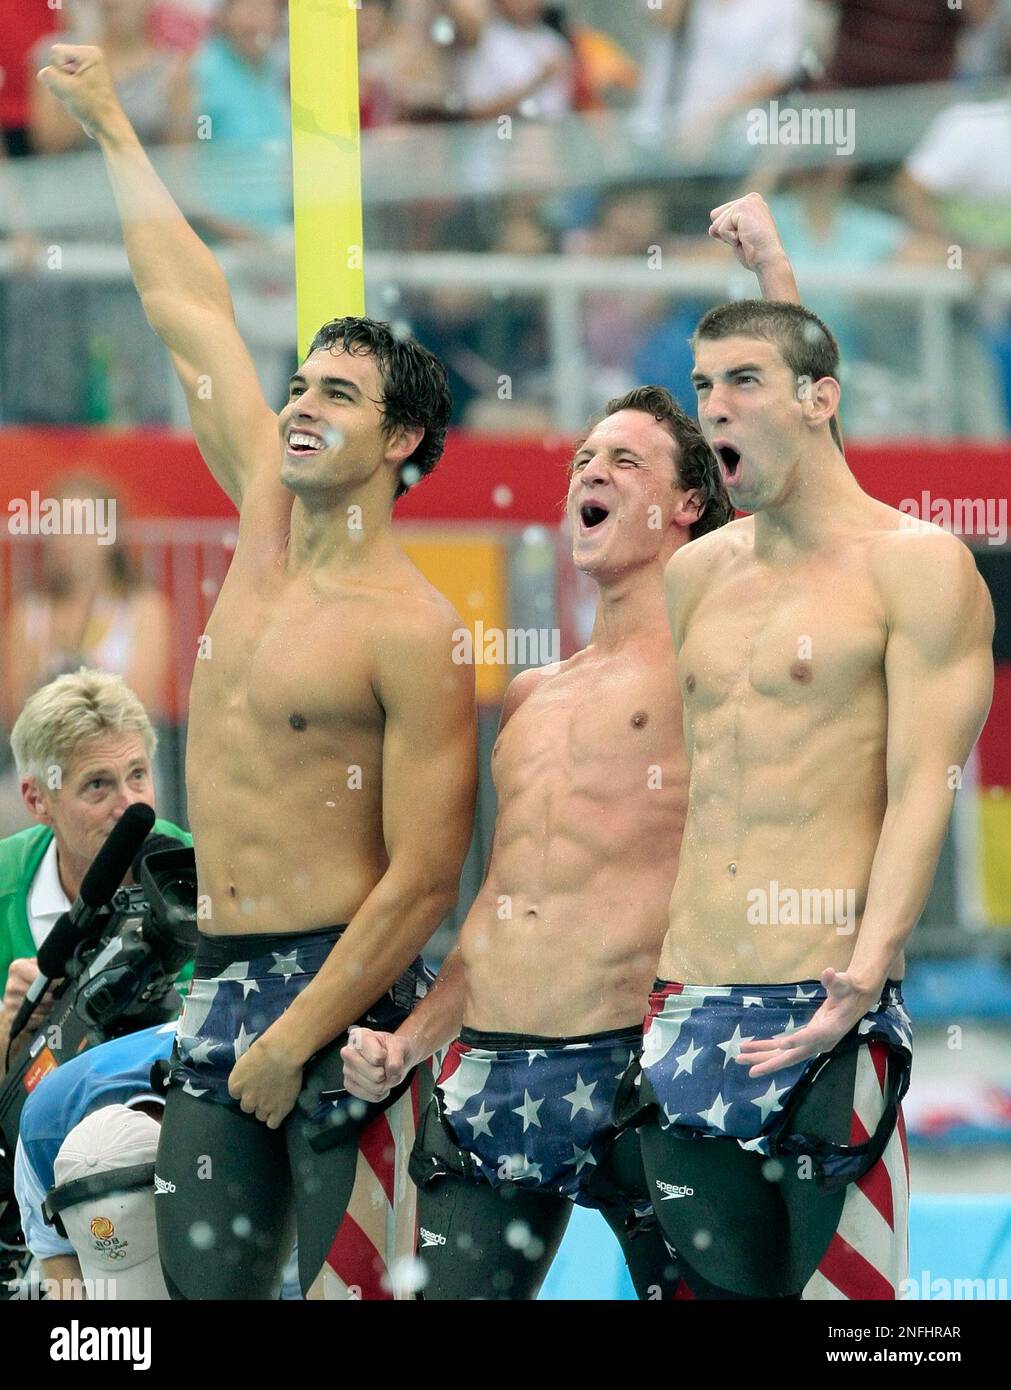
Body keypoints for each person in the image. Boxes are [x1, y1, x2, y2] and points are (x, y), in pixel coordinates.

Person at [38, 44, 477, 1300]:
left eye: (336, 394)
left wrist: (295, 1039)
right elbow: (188, 311)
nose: (298, 403)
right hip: (219, 978)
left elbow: (425, 878)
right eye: (297, 384)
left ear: (399, 442)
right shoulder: (257, 530)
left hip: (342, 1001)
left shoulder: (415, 627)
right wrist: (115, 124)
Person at [340, 203, 800, 1300]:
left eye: (627, 461)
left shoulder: (711, 645)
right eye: (585, 456)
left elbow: (792, 477)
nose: (590, 470)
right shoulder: (536, 694)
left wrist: (771, 271)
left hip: (643, 1072)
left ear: (690, 504)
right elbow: (505, 900)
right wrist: (412, 1038)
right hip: (496, 1064)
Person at [623, 198, 995, 1300]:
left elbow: (922, 786)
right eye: (701, 388)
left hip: (825, 1003)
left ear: (821, 398)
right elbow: (797, 463)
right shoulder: (697, 575)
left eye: (741, 382)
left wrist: (867, 968)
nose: (714, 408)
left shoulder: (916, 568)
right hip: (687, 1001)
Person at [0, 669, 191, 1075]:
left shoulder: (194, 870)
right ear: (37, 800)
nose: (130, 807)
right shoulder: (4, 882)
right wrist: (9, 1031)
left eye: (138, 775)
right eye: (98, 785)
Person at [2, 475, 173, 728]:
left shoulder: (144, 608)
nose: (69, 538)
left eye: (81, 525)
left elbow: (141, 702)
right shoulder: (28, 613)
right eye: (58, 525)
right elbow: (16, 705)